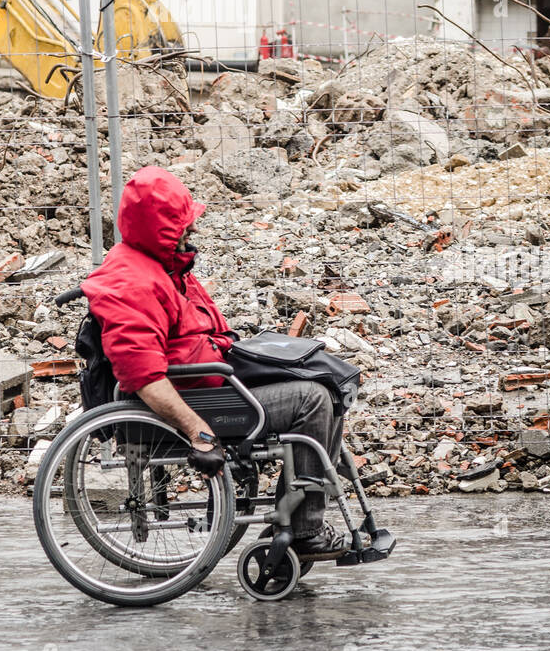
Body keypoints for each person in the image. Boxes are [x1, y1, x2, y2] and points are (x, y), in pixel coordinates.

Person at [81, 164, 349, 556]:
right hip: (196, 399)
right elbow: (143, 376)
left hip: (210, 380)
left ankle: (299, 510)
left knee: (329, 377)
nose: (193, 233)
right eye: (184, 226)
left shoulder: (161, 266)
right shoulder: (134, 282)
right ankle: (304, 531)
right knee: (312, 399)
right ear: (162, 230)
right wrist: (199, 433)